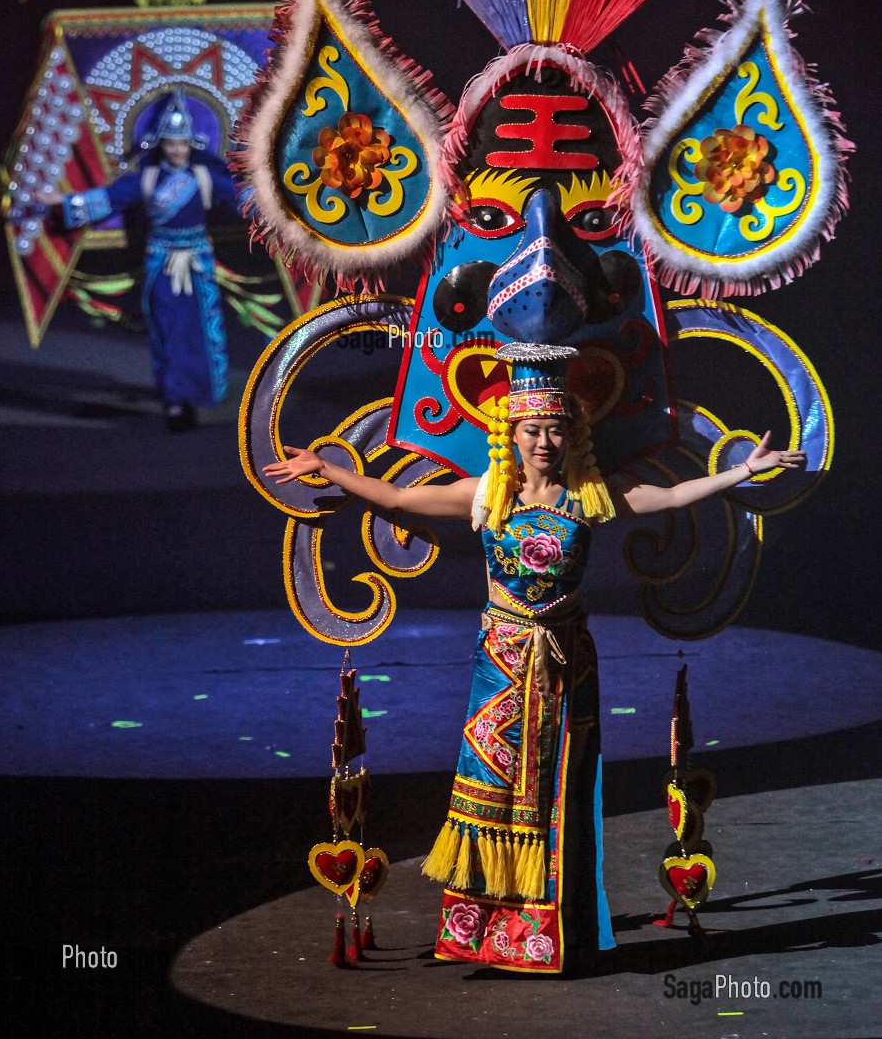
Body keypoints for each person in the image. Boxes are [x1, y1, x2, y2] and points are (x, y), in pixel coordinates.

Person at [263, 366, 803, 975]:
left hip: (565, 665)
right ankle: (484, 928)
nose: (544, 442)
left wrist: (743, 472)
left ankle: (547, 929)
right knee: (490, 789)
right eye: (532, 430)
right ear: (512, 436)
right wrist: (329, 470)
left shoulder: (590, 496)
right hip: (502, 661)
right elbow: (396, 498)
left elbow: (673, 496)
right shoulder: (487, 494)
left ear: (572, 436)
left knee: (554, 794)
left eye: (555, 431)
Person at [52, 90, 241, 431]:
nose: (177, 150)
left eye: (182, 144)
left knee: (199, 330)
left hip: (198, 266)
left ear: (191, 144)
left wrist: (284, 202)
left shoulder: (204, 177)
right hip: (161, 266)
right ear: (161, 144)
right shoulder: (148, 179)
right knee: (167, 332)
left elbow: (246, 201)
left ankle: (201, 393)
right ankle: (174, 402)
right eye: (170, 144)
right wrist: (62, 203)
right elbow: (107, 199)